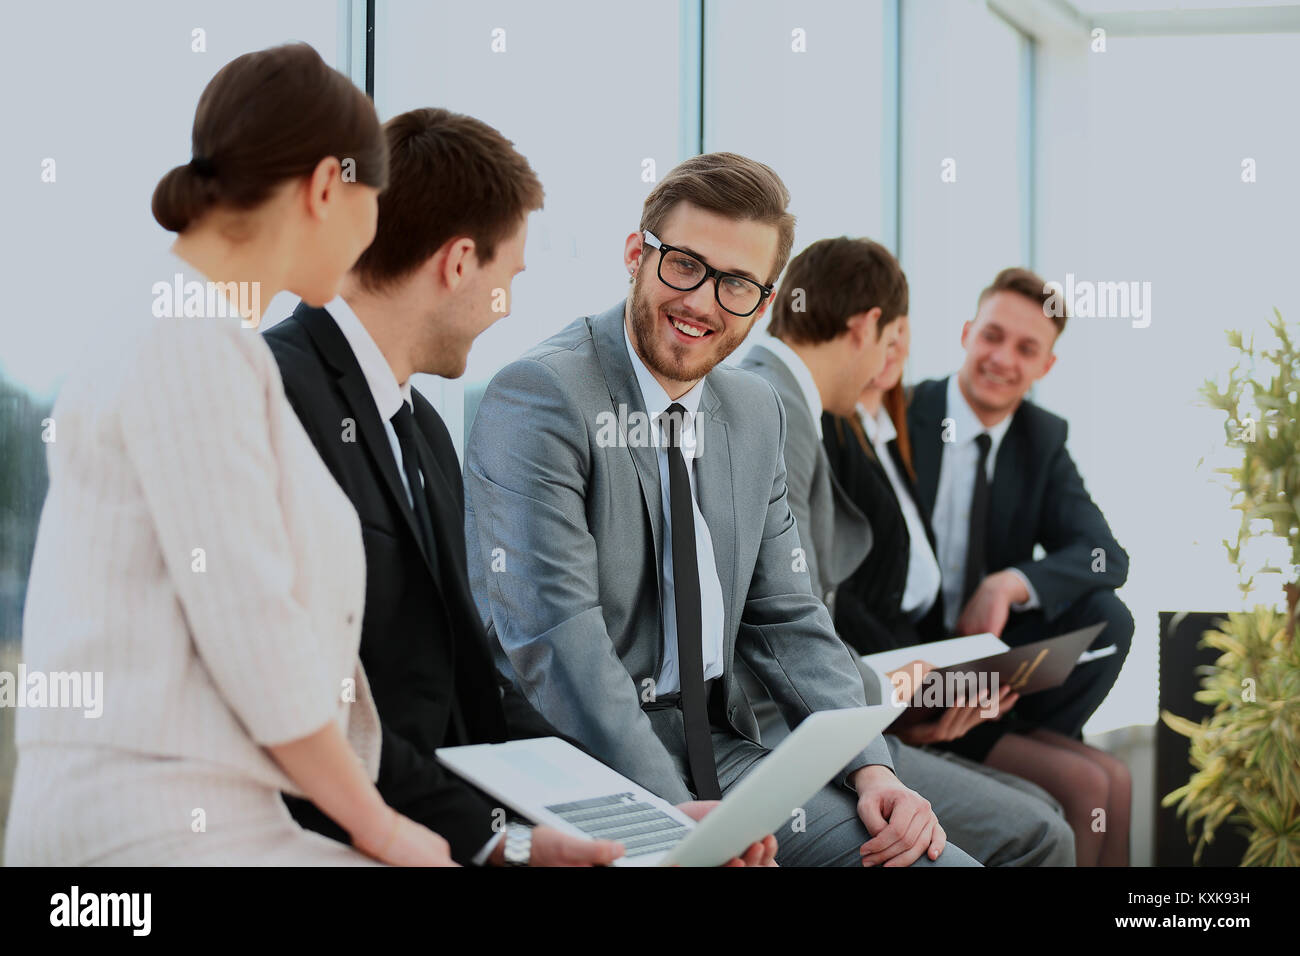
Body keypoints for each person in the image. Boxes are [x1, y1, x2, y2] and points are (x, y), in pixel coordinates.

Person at [264, 109, 776, 868]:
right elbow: (298, 700)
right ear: (459, 262)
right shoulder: (270, 394)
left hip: (453, 810)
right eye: (511, 276)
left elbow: (465, 685)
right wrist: (501, 842)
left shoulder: (422, 430)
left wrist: (601, 820)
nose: (509, 301)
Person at [465, 152, 982, 867]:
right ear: (636, 255)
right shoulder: (543, 396)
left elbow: (789, 615)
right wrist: (672, 812)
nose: (703, 303)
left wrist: (871, 767)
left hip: (723, 751)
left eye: (736, 283)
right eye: (684, 264)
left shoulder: (753, 410)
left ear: (763, 304)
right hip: (585, 766)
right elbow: (559, 641)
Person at [4, 43, 453, 866]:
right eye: (374, 201)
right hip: (146, 826)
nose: (374, 231)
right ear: (327, 186)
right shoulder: (187, 338)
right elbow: (252, 628)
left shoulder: (198, 332)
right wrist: (383, 828)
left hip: (203, 814)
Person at [740, 237, 1074, 866]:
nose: (890, 361)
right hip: (780, 725)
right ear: (868, 327)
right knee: (1039, 833)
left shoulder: (779, 400)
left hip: (818, 706)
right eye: (893, 340)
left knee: (1045, 817)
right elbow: (791, 615)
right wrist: (898, 701)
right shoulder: (775, 405)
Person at [904, 266, 1133, 866]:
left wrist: (1011, 582)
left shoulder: (1040, 438)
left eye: (1026, 348)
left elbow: (1105, 556)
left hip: (988, 671)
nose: (1003, 359)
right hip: (907, 661)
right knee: (1094, 784)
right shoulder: (902, 413)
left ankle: (1016, 733)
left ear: (1046, 366)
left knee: (1109, 617)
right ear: (966, 334)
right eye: (992, 336)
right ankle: (998, 743)